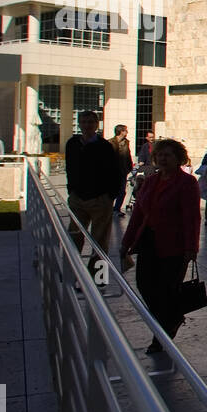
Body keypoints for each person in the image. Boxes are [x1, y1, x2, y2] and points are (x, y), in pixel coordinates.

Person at [121, 138, 200, 357]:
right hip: (149, 242)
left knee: (166, 291)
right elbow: (138, 214)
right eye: (160, 155)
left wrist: (191, 247)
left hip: (173, 246)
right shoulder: (151, 181)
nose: (163, 159)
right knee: (145, 286)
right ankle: (172, 319)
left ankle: (161, 337)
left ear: (178, 159)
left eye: (168, 155)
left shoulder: (187, 183)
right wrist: (126, 242)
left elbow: (192, 217)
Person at [65, 110, 122, 283]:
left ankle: (98, 278)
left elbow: (114, 171)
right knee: (74, 236)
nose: (87, 125)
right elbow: (70, 167)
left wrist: (109, 196)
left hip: (99, 199)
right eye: (84, 122)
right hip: (78, 198)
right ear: (79, 124)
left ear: (97, 124)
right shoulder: (73, 143)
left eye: (91, 122)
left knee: (100, 240)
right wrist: (72, 190)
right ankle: (71, 272)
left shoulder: (105, 146)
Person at [111, 124, 134, 214]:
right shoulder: (110, 142)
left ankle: (117, 209)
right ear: (121, 131)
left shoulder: (126, 143)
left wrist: (129, 167)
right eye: (125, 130)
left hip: (122, 171)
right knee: (112, 190)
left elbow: (128, 156)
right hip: (112, 172)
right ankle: (108, 208)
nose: (127, 132)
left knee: (122, 191)